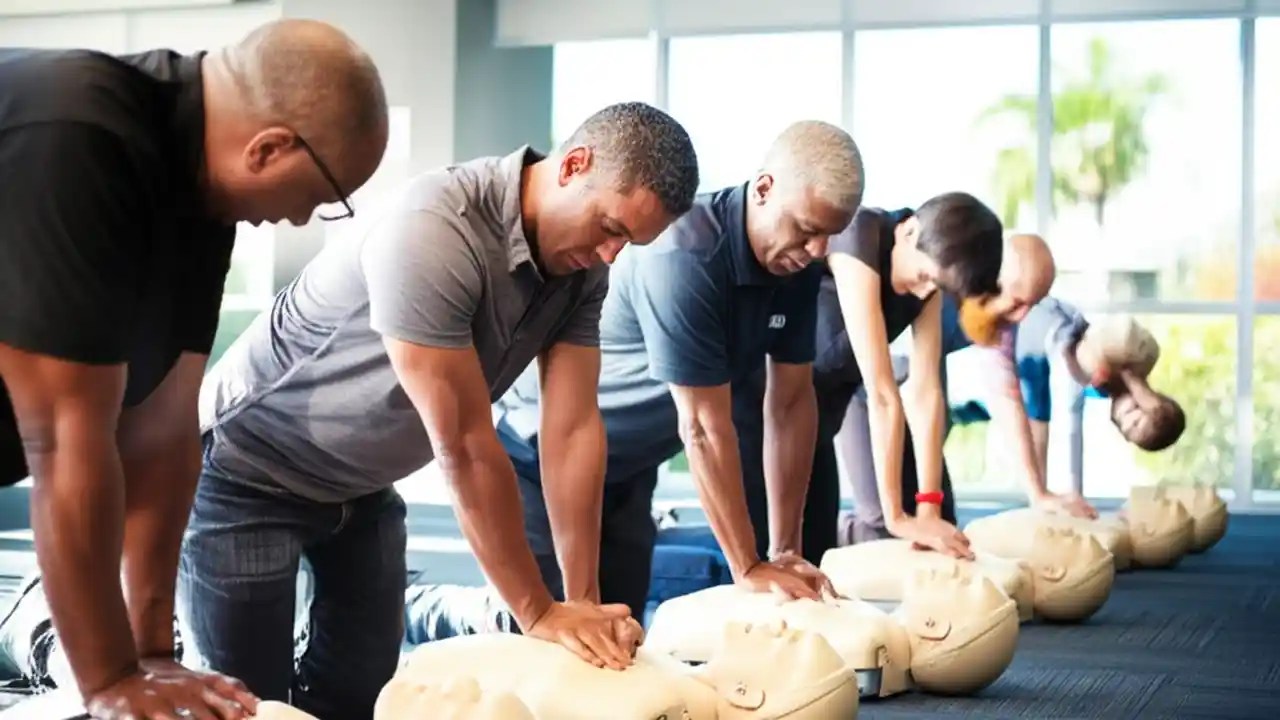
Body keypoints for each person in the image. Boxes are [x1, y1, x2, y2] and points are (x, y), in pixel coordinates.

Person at [182, 101, 699, 719]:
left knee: (363, 689)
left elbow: (572, 429)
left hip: (362, 482)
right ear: (575, 165)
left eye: (630, 242)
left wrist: (579, 600)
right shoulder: (436, 226)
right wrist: (538, 613)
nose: (613, 253)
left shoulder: (582, 270)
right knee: (250, 704)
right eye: (611, 226)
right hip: (246, 470)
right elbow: (465, 447)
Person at [0, 19, 388, 720]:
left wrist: (151, 650)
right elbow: (63, 437)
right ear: (270, 148)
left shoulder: (200, 207)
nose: (304, 219)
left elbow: (162, 430)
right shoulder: (79, 133)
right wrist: (111, 677)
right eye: (323, 194)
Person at [406, 120, 865, 641]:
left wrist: (785, 550)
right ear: (764, 189)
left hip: (625, 470)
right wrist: (747, 566)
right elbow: (703, 427)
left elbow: (789, 406)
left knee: (619, 638)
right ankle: (427, 610)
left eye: (829, 235)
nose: (818, 249)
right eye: (806, 228)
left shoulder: (796, 267)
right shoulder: (688, 253)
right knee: (535, 632)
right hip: (537, 460)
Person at [793, 194, 1008, 567]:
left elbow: (926, 393)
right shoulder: (857, 237)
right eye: (925, 277)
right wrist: (897, 517)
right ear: (909, 232)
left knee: (815, 559)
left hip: (821, 417)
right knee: (781, 557)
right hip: (770, 411)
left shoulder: (928, 282)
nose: (927, 292)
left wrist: (928, 506)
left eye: (937, 286)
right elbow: (881, 392)